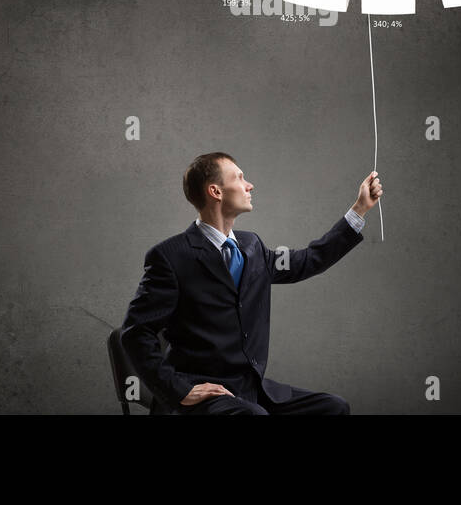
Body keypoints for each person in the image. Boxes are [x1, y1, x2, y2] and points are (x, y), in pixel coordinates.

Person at [120, 152, 382, 414]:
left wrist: (359, 210)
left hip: (252, 390)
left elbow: (308, 260)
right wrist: (179, 390)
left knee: (333, 407)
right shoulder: (170, 256)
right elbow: (135, 332)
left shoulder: (252, 246)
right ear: (216, 191)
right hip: (204, 394)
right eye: (240, 177)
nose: (250, 185)